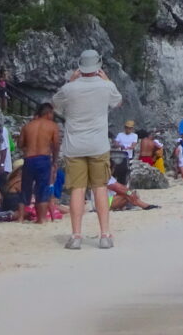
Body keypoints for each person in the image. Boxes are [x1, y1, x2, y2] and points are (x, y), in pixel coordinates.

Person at [51, 49, 123, 250]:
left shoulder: (69, 89)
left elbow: (55, 105)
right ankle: (105, 235)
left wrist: (71, 81)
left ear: (80, 66)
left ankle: (76, 236)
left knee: (77, 190)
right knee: (100, 188)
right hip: (98, 144)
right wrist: (107, 79)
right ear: (98, 65)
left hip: (74, 145)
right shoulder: (106, 86)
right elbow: (118, 102)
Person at [19, 103, 60, 223]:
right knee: (42, 188)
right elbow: (56, 145)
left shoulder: (28, 126)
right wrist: (54, 161)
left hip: (29, 159)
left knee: (25, 188)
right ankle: (41, 219)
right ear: (48, 113)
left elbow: (20, 144)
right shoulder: (52, 126)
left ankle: (20, 218)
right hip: (43, 159)